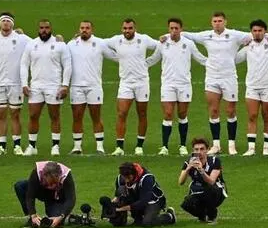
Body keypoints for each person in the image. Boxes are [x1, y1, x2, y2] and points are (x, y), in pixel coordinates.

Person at [183, 13, 249, 155]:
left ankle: (231, 144)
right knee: (213, 111)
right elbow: (188, 35)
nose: (217, 23)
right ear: (211, 23)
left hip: (229, 77)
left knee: (230, 111)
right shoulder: (206, 35)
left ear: (225, 21)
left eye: (220, 21)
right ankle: (216, 144)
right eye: (215, 21)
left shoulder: (234, 35)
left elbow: (254, 37)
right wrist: (168, 36)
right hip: (212, 77)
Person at [148, 18, 208, 156]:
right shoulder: (162, 43)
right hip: (168, 84)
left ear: (181, 29)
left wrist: (215, 63)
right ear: (168, 29)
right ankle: (164, 146)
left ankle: (182, 145)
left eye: (176, 28)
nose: (174, 31)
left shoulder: (188, 44)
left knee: (182, 114)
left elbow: (200, 58)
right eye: (171, 28)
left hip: (184, 84)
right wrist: (140, 66)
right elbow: (153, 58)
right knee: (168, 114)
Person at [105, 18, 159, 156]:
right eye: (125, 28)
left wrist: (149, 62)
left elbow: (160, 46)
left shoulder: (144, 39)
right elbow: (99, 43)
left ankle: (139, 146)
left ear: (135, 28)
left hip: (142, 82)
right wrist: (79, 38)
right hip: (126, 83)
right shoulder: (116, 40)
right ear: (122, 29)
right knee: (122, 113)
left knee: (142, 113)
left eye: (130, 28)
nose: (127, 31)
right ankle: (119, 147)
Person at [19, 20, 71, 156]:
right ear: (38, 29)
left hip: (53, 86)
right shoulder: (31, 44)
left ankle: (55, 146)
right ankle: (32, 146)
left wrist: (65, 85)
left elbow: (67, 65)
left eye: (47, 28)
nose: (44, 30)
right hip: (35, 86)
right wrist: (24, 83)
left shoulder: (59, 45)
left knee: (54, 116)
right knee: (33, 115)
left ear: (51, 29)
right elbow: (24, 64)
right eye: (41, 28)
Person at [236, 20, 268, 156]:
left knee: (267, 115)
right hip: (251, 86)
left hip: (267, 87)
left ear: (265, 31)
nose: (257, 33)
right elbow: (235, 59)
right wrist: (237, 45)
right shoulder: (248, 45)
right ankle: (251, 148)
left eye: (260, 31)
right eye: (255, 31)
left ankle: (266, 147)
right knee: (252, 116)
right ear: (251, 32)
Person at [67, 20, 117, 155]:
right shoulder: (71, 44)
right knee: (77, 116)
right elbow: (60, 55)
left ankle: (99, 147)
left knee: (96, 116)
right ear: (79, 29)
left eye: (87, 28)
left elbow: (115, 56)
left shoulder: (100, 43)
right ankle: (77, 147)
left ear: (92, 30)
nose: (84, 30)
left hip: (94, 86)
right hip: (76, 86)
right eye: (82, 27)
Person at [0, 13, 31, 156]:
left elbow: (39, 43)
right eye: (3, 21)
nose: (5, 23)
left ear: (12, 24)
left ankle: (17, 145)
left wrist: (58, 40)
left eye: (8, 21)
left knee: (15, 114)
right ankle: (2, 146)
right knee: (0, 114)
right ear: (0, 23)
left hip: (15, 83)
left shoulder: (22, 39)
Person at [101, 162, 176, 227]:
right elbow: (117, 196)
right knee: (121, 190)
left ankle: (169, 216)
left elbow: (143, 201)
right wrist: (112, 205)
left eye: (128, 177)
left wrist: (120, 209)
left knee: (147, 222)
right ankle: (136, 219)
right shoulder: (120, 179)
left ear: (134, 173)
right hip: (137, 198)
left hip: (154, 200)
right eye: (124, 177)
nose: (126, 180)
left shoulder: (147, 178)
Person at [13, 161, 77, 228]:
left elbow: (71, 199)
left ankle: (69, 217)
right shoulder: (36, 172)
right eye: (50, 182)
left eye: (55, 182)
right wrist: (33, 214)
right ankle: (31, 219)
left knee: (55, 221)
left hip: (56, 197)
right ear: (44, 175)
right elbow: (30, 195)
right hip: (42, 191)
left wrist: (61, 216)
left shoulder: (66, 175)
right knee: (20, 186)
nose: (52, 186)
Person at [178, 137, 227, 222]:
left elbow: (211, 181)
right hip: (199, 190)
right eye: (196, 149)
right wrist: (188, 169)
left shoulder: (215, 161)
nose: (199, 152)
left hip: (216, 191)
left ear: (207, 150)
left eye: (202, 149)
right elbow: (180, 182)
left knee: (208, 189)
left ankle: (212, 215)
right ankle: (202, 215)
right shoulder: (189, 162)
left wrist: (201, 170)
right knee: (186, 204)